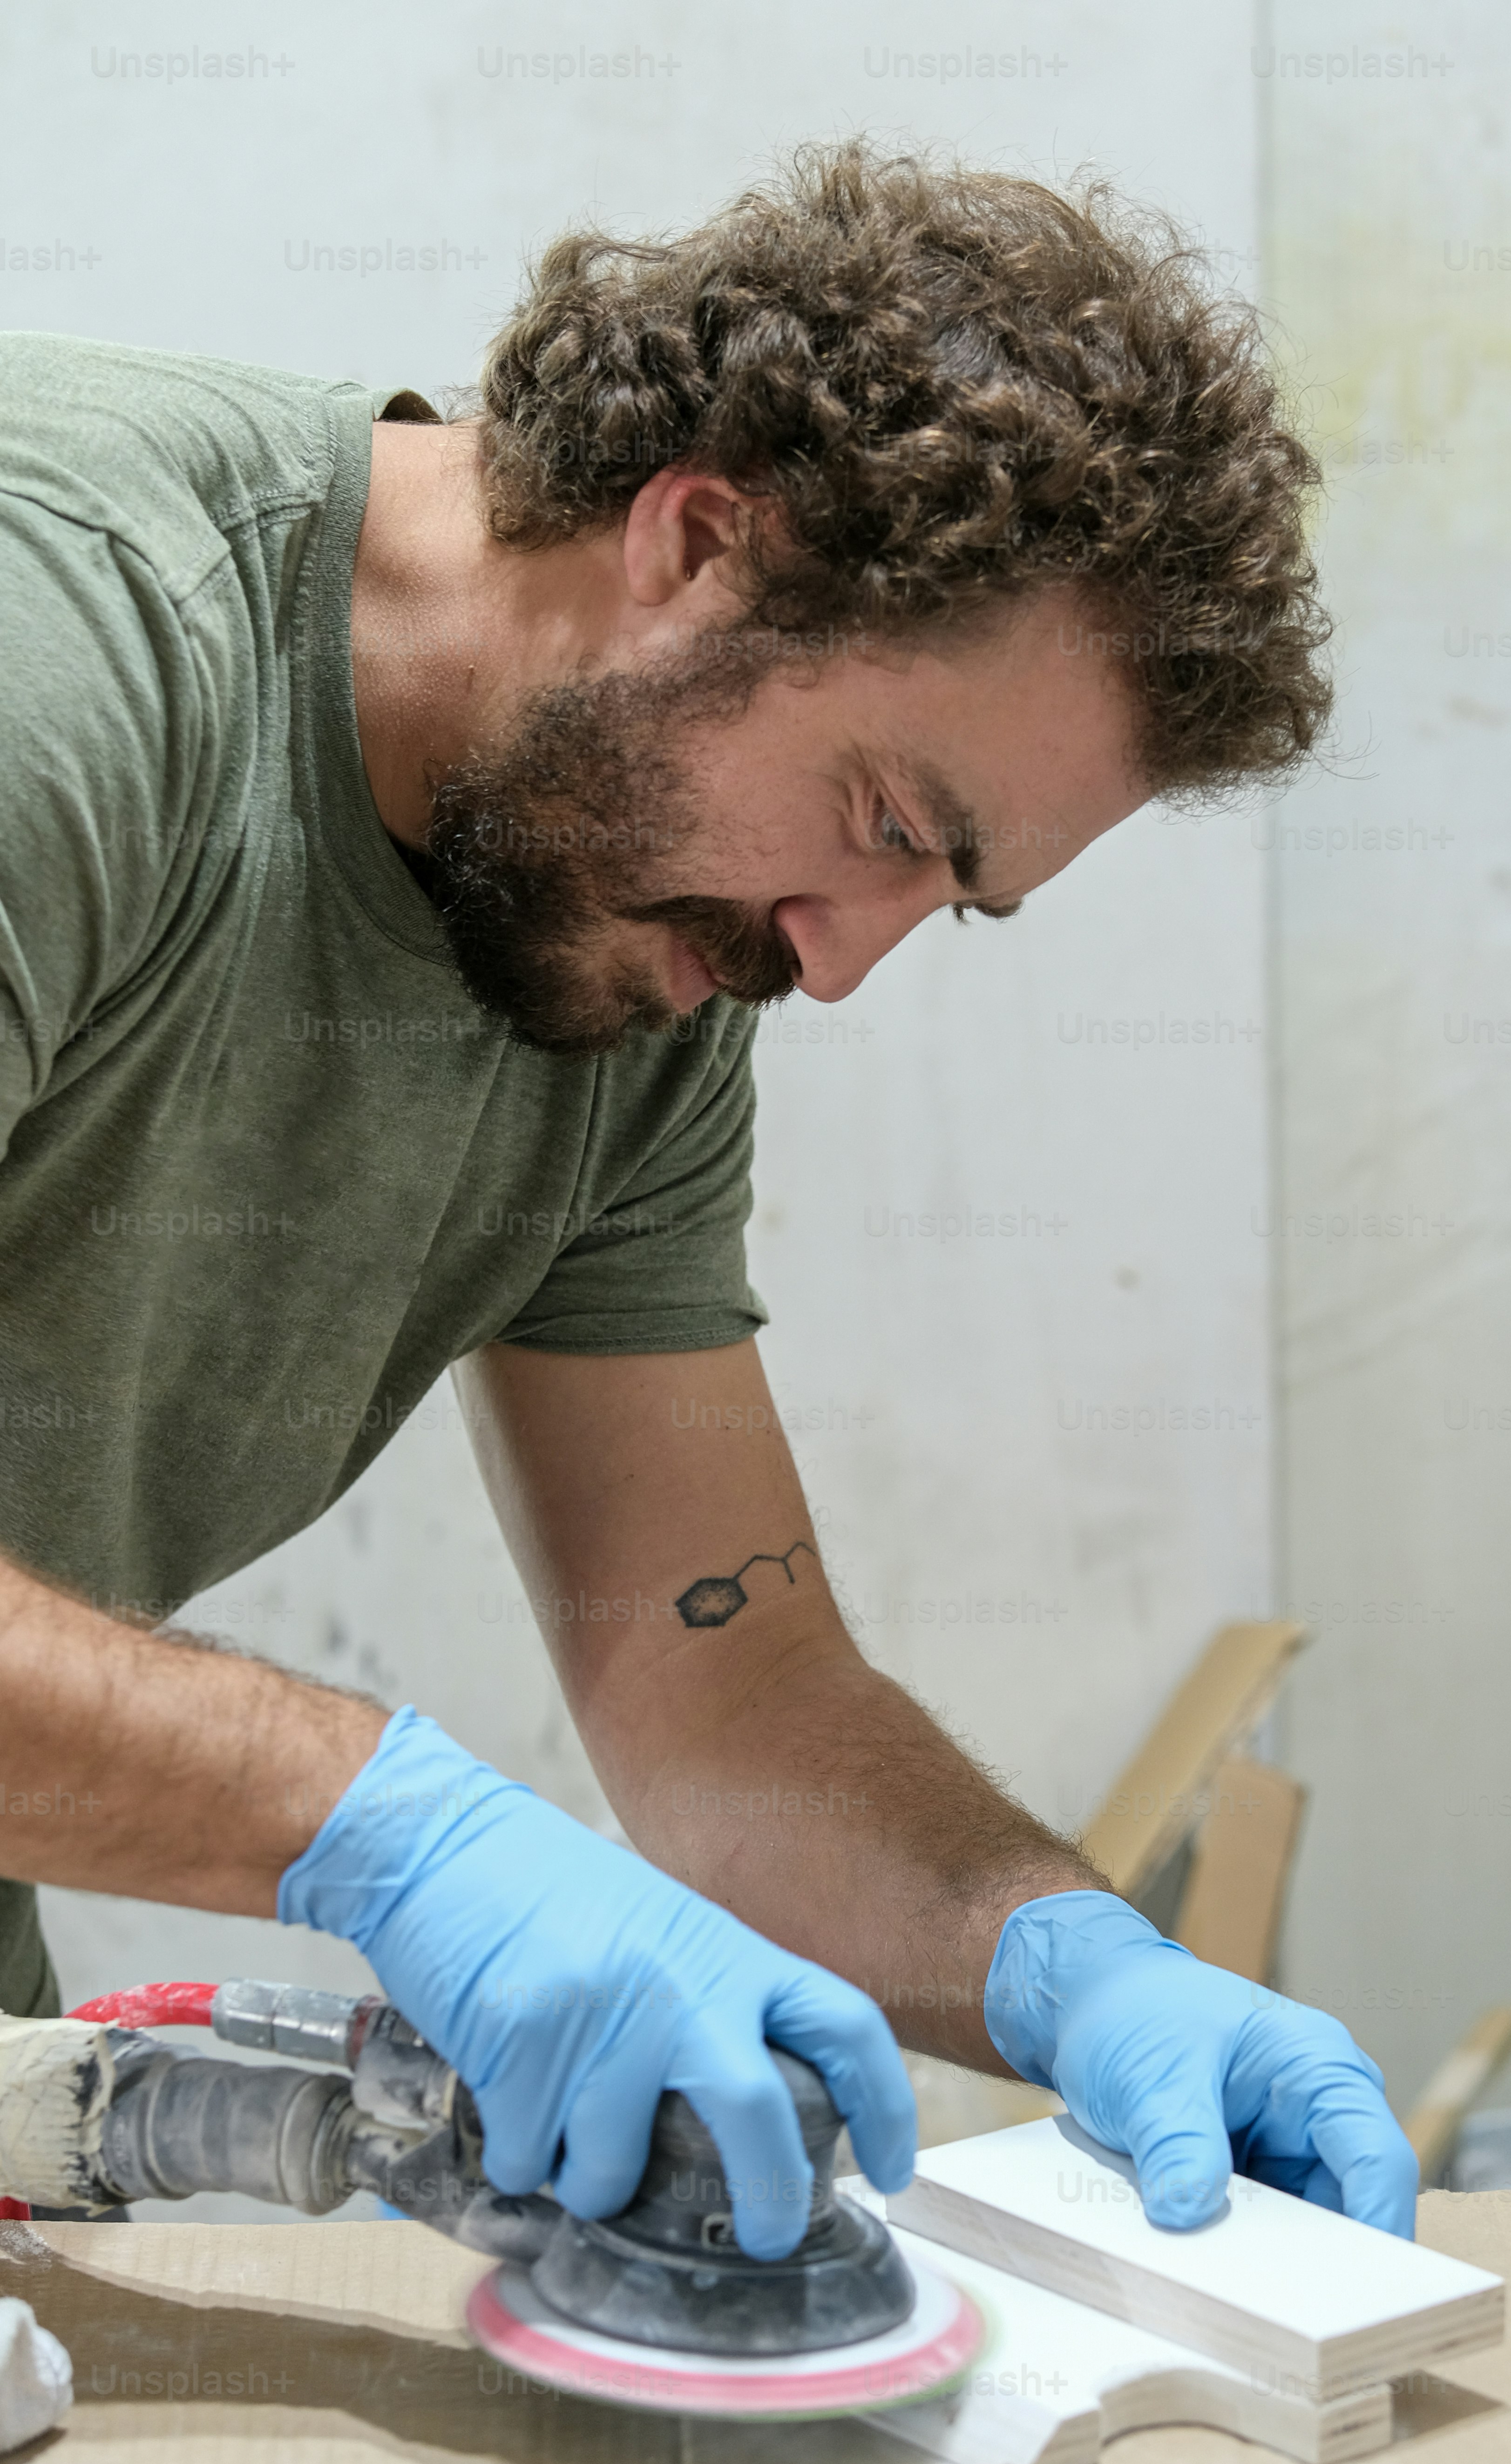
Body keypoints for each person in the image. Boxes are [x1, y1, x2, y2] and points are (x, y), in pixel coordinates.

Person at [0, 143, 1417, 2252]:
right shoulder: (73, 657)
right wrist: (386, 1829)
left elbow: (722, 1694)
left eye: (949, 896)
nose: (835, 959)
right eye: (879, 816)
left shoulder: (623, 945)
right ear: (691, 539)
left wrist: (1059, 1954)